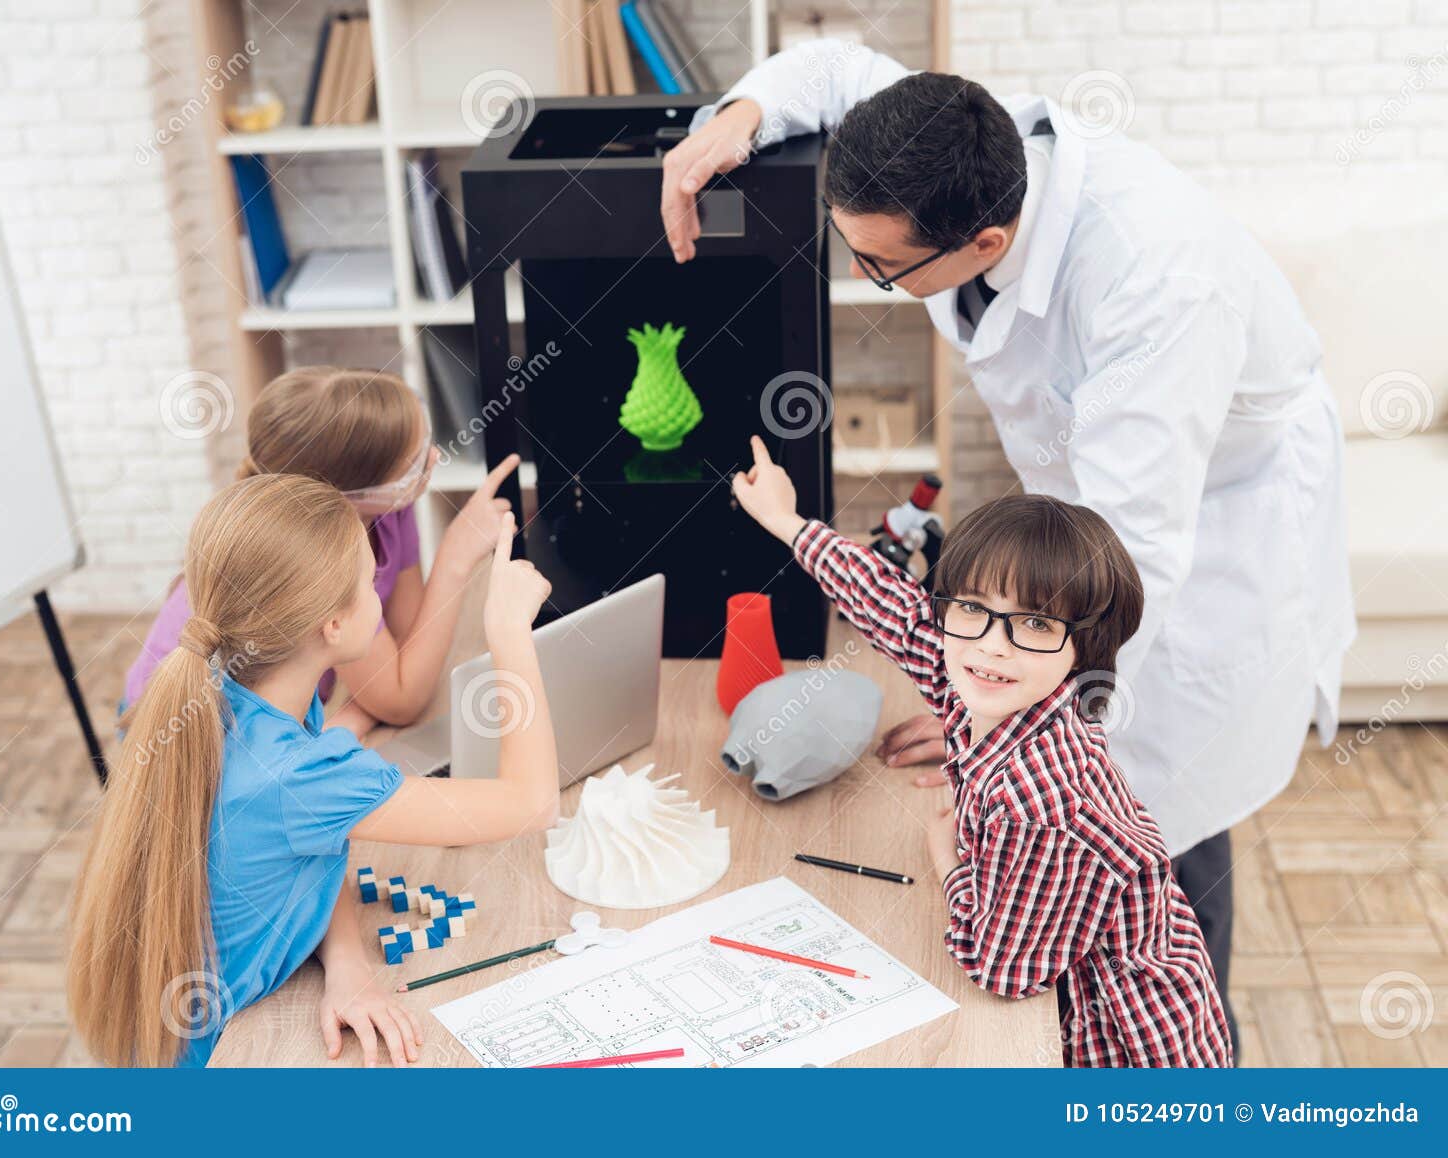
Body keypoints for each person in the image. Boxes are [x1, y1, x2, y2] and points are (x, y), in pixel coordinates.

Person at [663, 43, 1356, 1056]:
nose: (861, 274)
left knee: (1153, 809)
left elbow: (1132, 559)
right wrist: (742, 113)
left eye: (880, 267)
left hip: (1211, 529)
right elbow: (827, 65)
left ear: (984, 239)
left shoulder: (1156, 284)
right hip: (1088, 511)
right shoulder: (946, 138)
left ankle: (1193, 1058)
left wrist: (1000, 716)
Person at [734, 436, 1231, 1066]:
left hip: (1129, 1046)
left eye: (1036, 623)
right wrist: (788, 521)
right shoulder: (976, 676)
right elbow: (891, 608)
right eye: (971, 608)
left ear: (1088, 647)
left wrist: (950, 864)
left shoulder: (1037, 800)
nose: (993, 646)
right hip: (1081, 973)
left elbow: (1002, 969)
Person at [68, 475, 557, 1067]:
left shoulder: (230, 694)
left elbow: (314, 850)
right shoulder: (307, 775)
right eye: (368, 576)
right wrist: (508, 633)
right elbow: (534, 803)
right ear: (332, 626)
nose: (379, 587)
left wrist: (347, 965)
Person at [122, 365, 520, 737]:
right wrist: (454, 557)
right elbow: (402, 700)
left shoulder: (387, 508)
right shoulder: (309, 558)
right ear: (352, 492)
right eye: (413, 461)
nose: (433, 457)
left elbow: (408, 644)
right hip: (180, 736)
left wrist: (369, 702)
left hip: (289, 721)